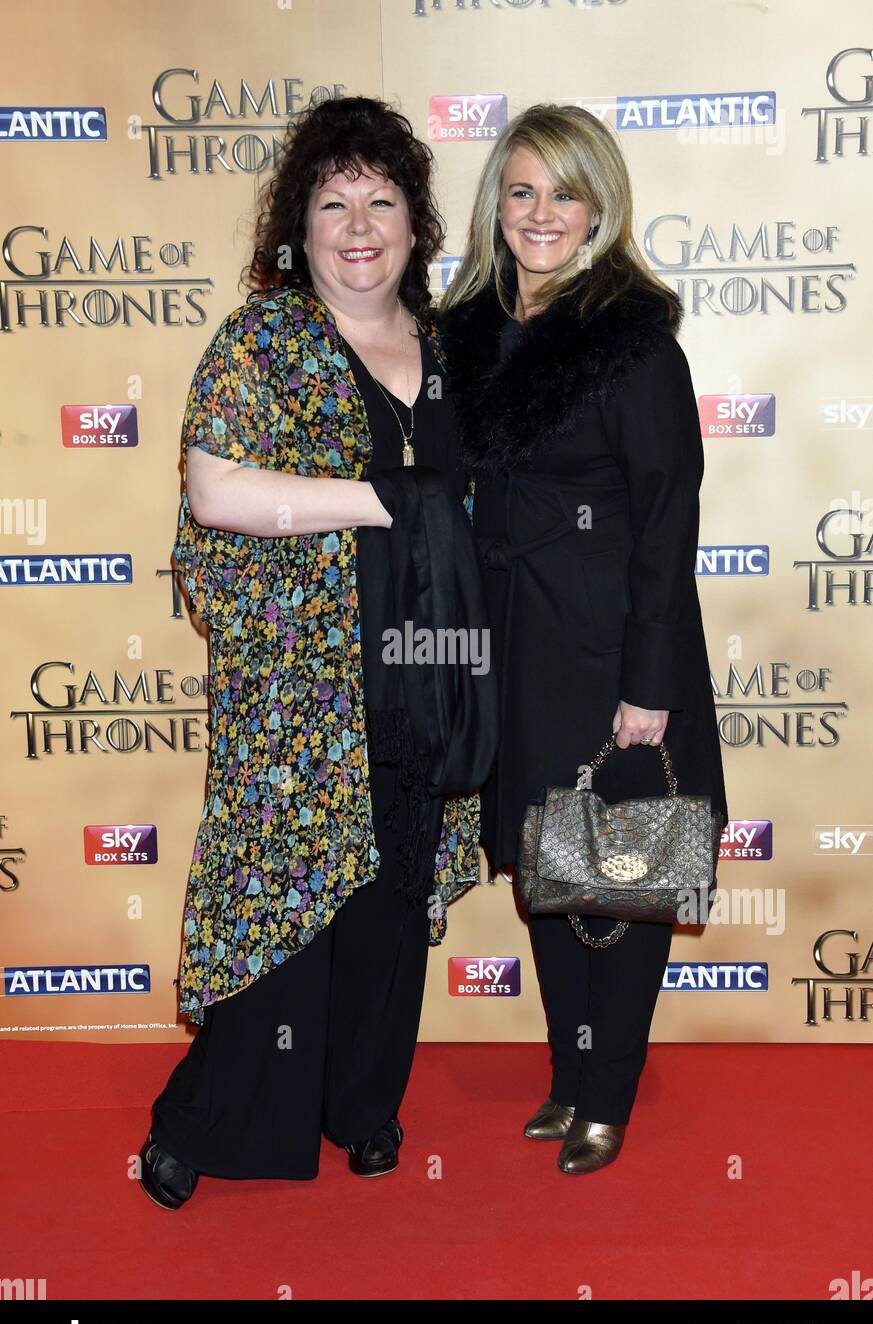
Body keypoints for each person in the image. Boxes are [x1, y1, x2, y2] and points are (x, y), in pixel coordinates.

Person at [139, 96, 492, 1209]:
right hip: (303, 690)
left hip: (424, 673)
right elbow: (216, 489)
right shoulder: (264, 340)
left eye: (381, 199)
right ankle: (210, 1120)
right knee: (284, 903)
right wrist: (380, 501)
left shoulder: (444, 348)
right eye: (333, 201)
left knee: (392, 895)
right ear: (299, 225)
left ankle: (363, 1105)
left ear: (414, 223)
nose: (358, 223)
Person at [439, 103, 728, 1175]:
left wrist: (649, 684)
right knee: (548, 867)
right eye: (521, 190)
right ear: (496, 205)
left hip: (612, 646)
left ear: (600, 206)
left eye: (564, 191)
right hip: (514, 645)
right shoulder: (467, 331)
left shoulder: (632, 343)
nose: (540, 213)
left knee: (624, 869)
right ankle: (570, 1075)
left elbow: (668, 518)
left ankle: (609, 1093)